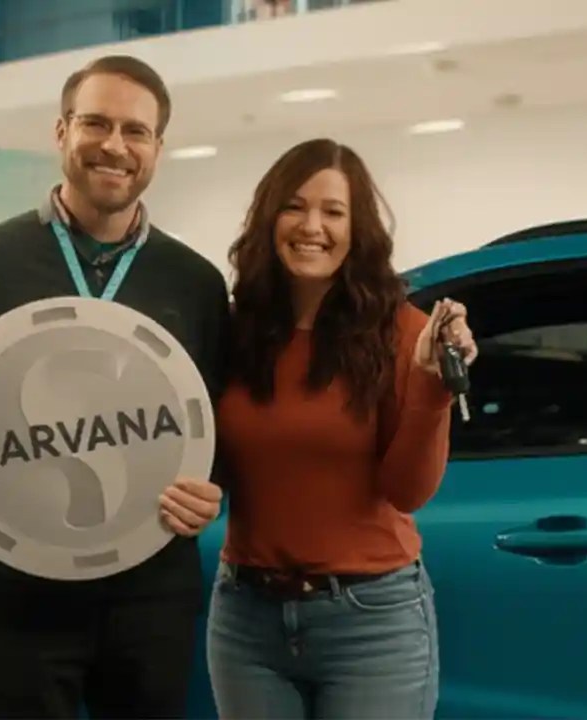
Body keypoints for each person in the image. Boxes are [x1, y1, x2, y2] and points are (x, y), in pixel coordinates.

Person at [0, 55, 230, 719]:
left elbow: (220, 427)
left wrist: (213, 490)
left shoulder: (195, 282)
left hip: (151, 594)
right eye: (95, 123)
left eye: (136, 130)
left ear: (158, 147)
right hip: (19, 596)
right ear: (61, 131)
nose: (114, 145)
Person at [205, 138, 477, 719]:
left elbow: (409, 492)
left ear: (359, 231)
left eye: (333, 212)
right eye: (294, 207)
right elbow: (212, 461)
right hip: (245, 618)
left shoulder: (404, 333)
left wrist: (432, 387)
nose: (312, 227)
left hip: (371, 623)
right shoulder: (235, 331)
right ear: (268, 217)